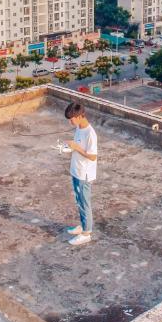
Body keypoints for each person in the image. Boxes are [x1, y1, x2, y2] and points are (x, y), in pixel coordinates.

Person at [64, 102, 97, 246]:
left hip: (84, 174)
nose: (70, 122)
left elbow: (93, 156)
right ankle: (83, 225)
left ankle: (86, 233)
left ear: (79, 116)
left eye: (71, 119)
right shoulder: (79, 128)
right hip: (76, 171)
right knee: (79, 201)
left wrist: (76, 147)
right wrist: (70, 147)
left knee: (85, 203)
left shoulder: (90, 133)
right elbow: (77, 147)